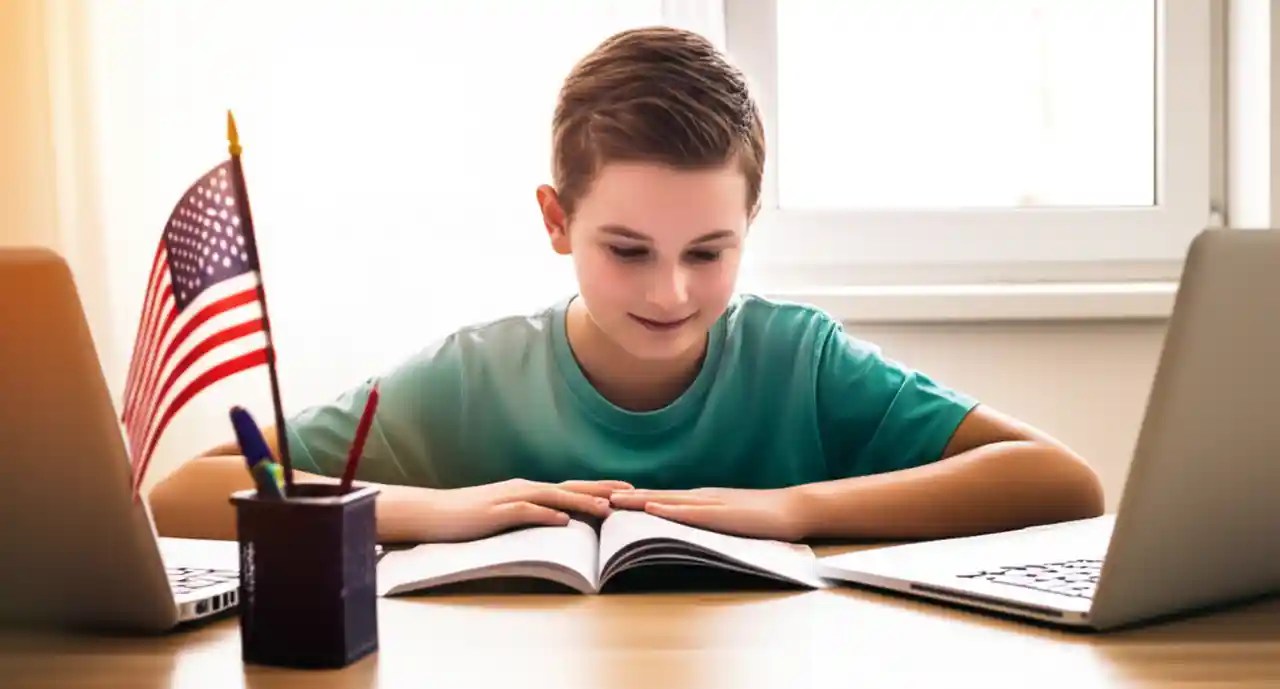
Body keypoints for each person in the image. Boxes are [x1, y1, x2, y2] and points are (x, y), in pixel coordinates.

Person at [149, 26, 1103, 544]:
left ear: (749, 229)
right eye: (629, 249)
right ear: (556, 222)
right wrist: (437, 509)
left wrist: (796, 507)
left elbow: (1062, 481)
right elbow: (186, 496)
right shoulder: (472, 378)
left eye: (710, 251)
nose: (674, 292)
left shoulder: (798, 357)